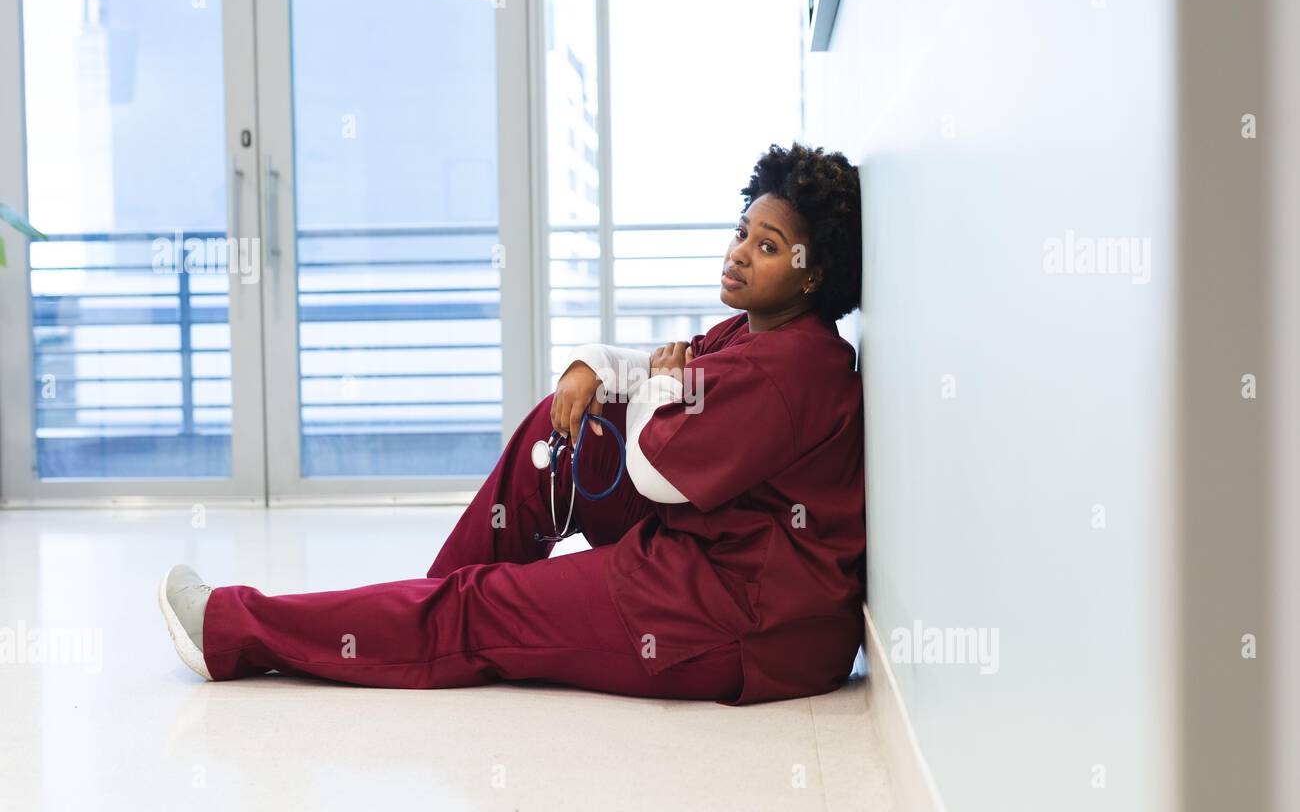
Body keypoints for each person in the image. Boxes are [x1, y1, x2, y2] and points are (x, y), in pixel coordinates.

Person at [159, 141, 866, 705]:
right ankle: (420, 620)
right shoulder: (763, 332)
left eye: (768, 247)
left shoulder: (784, 369)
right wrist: (594, 366)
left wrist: (656, 384)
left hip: (729, 618)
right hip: (720, 553)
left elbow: (656, 464)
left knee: (481, 610)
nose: (739, 251)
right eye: (743, 232)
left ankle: (238, 631)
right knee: (557, 438)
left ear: (814, 276)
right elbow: (663, 379)